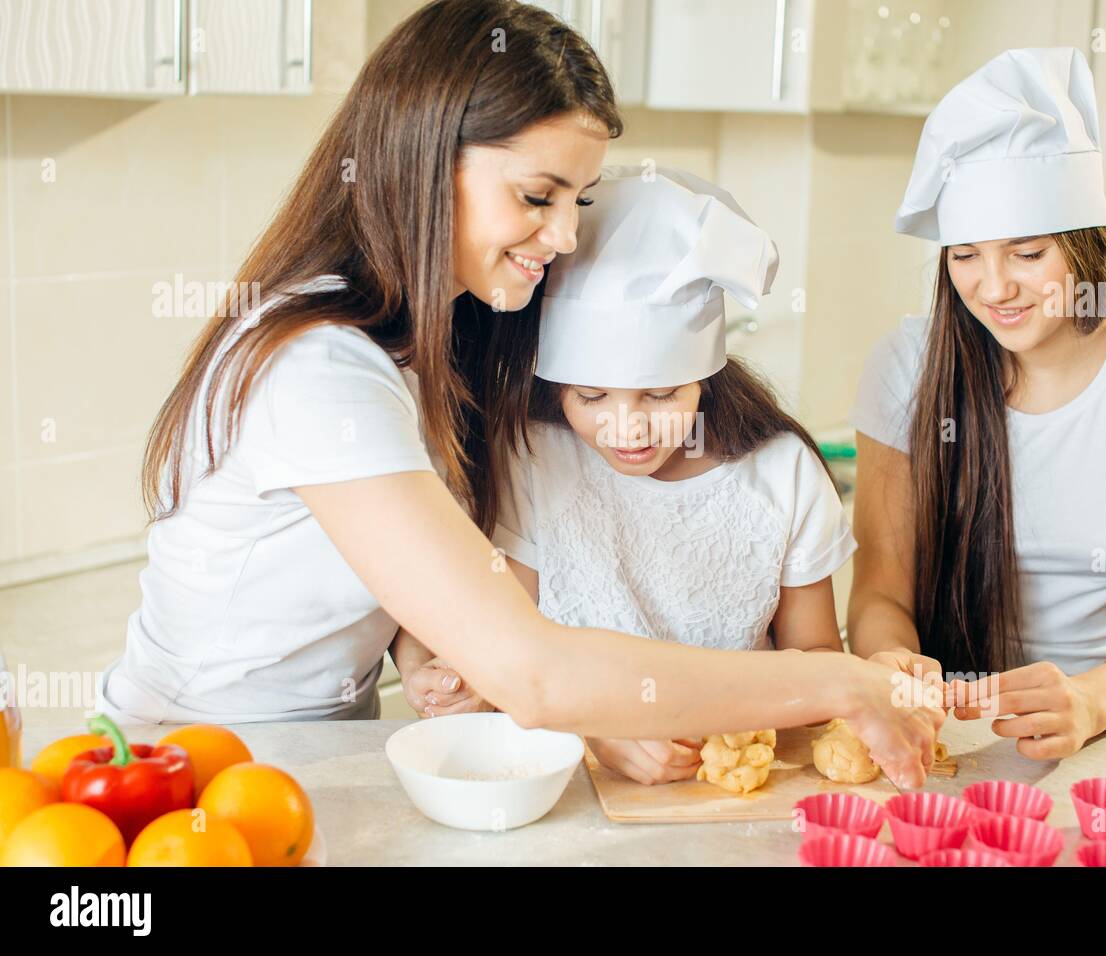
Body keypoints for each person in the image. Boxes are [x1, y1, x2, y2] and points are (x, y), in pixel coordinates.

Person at [99, 0, 941, 787]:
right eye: (537, 197)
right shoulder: (317, 367)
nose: (566, 234)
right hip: (187, 766)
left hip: (322, 751)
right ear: (423, 161)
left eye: (577, 199)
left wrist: (430, 658)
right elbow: (535, 670)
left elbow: (393, 584)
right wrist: (836, 684)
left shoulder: (432, 341)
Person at [847, 47, 1106, 760]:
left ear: (1085, 244)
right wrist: (894, 661)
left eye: (1028, 253)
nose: (995, 286)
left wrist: (1090, 700)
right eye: (965, 255)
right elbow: (882, 588)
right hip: (951, 726)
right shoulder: (905, 368)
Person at [393, 167, 856, 785]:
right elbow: (511, 651)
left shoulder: (780, 473)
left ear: (706, 376)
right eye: (591, 396)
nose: (626, 429)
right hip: (576, 792)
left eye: (661, 395)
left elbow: (819, 659)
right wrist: (585, 724)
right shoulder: (534, 459)